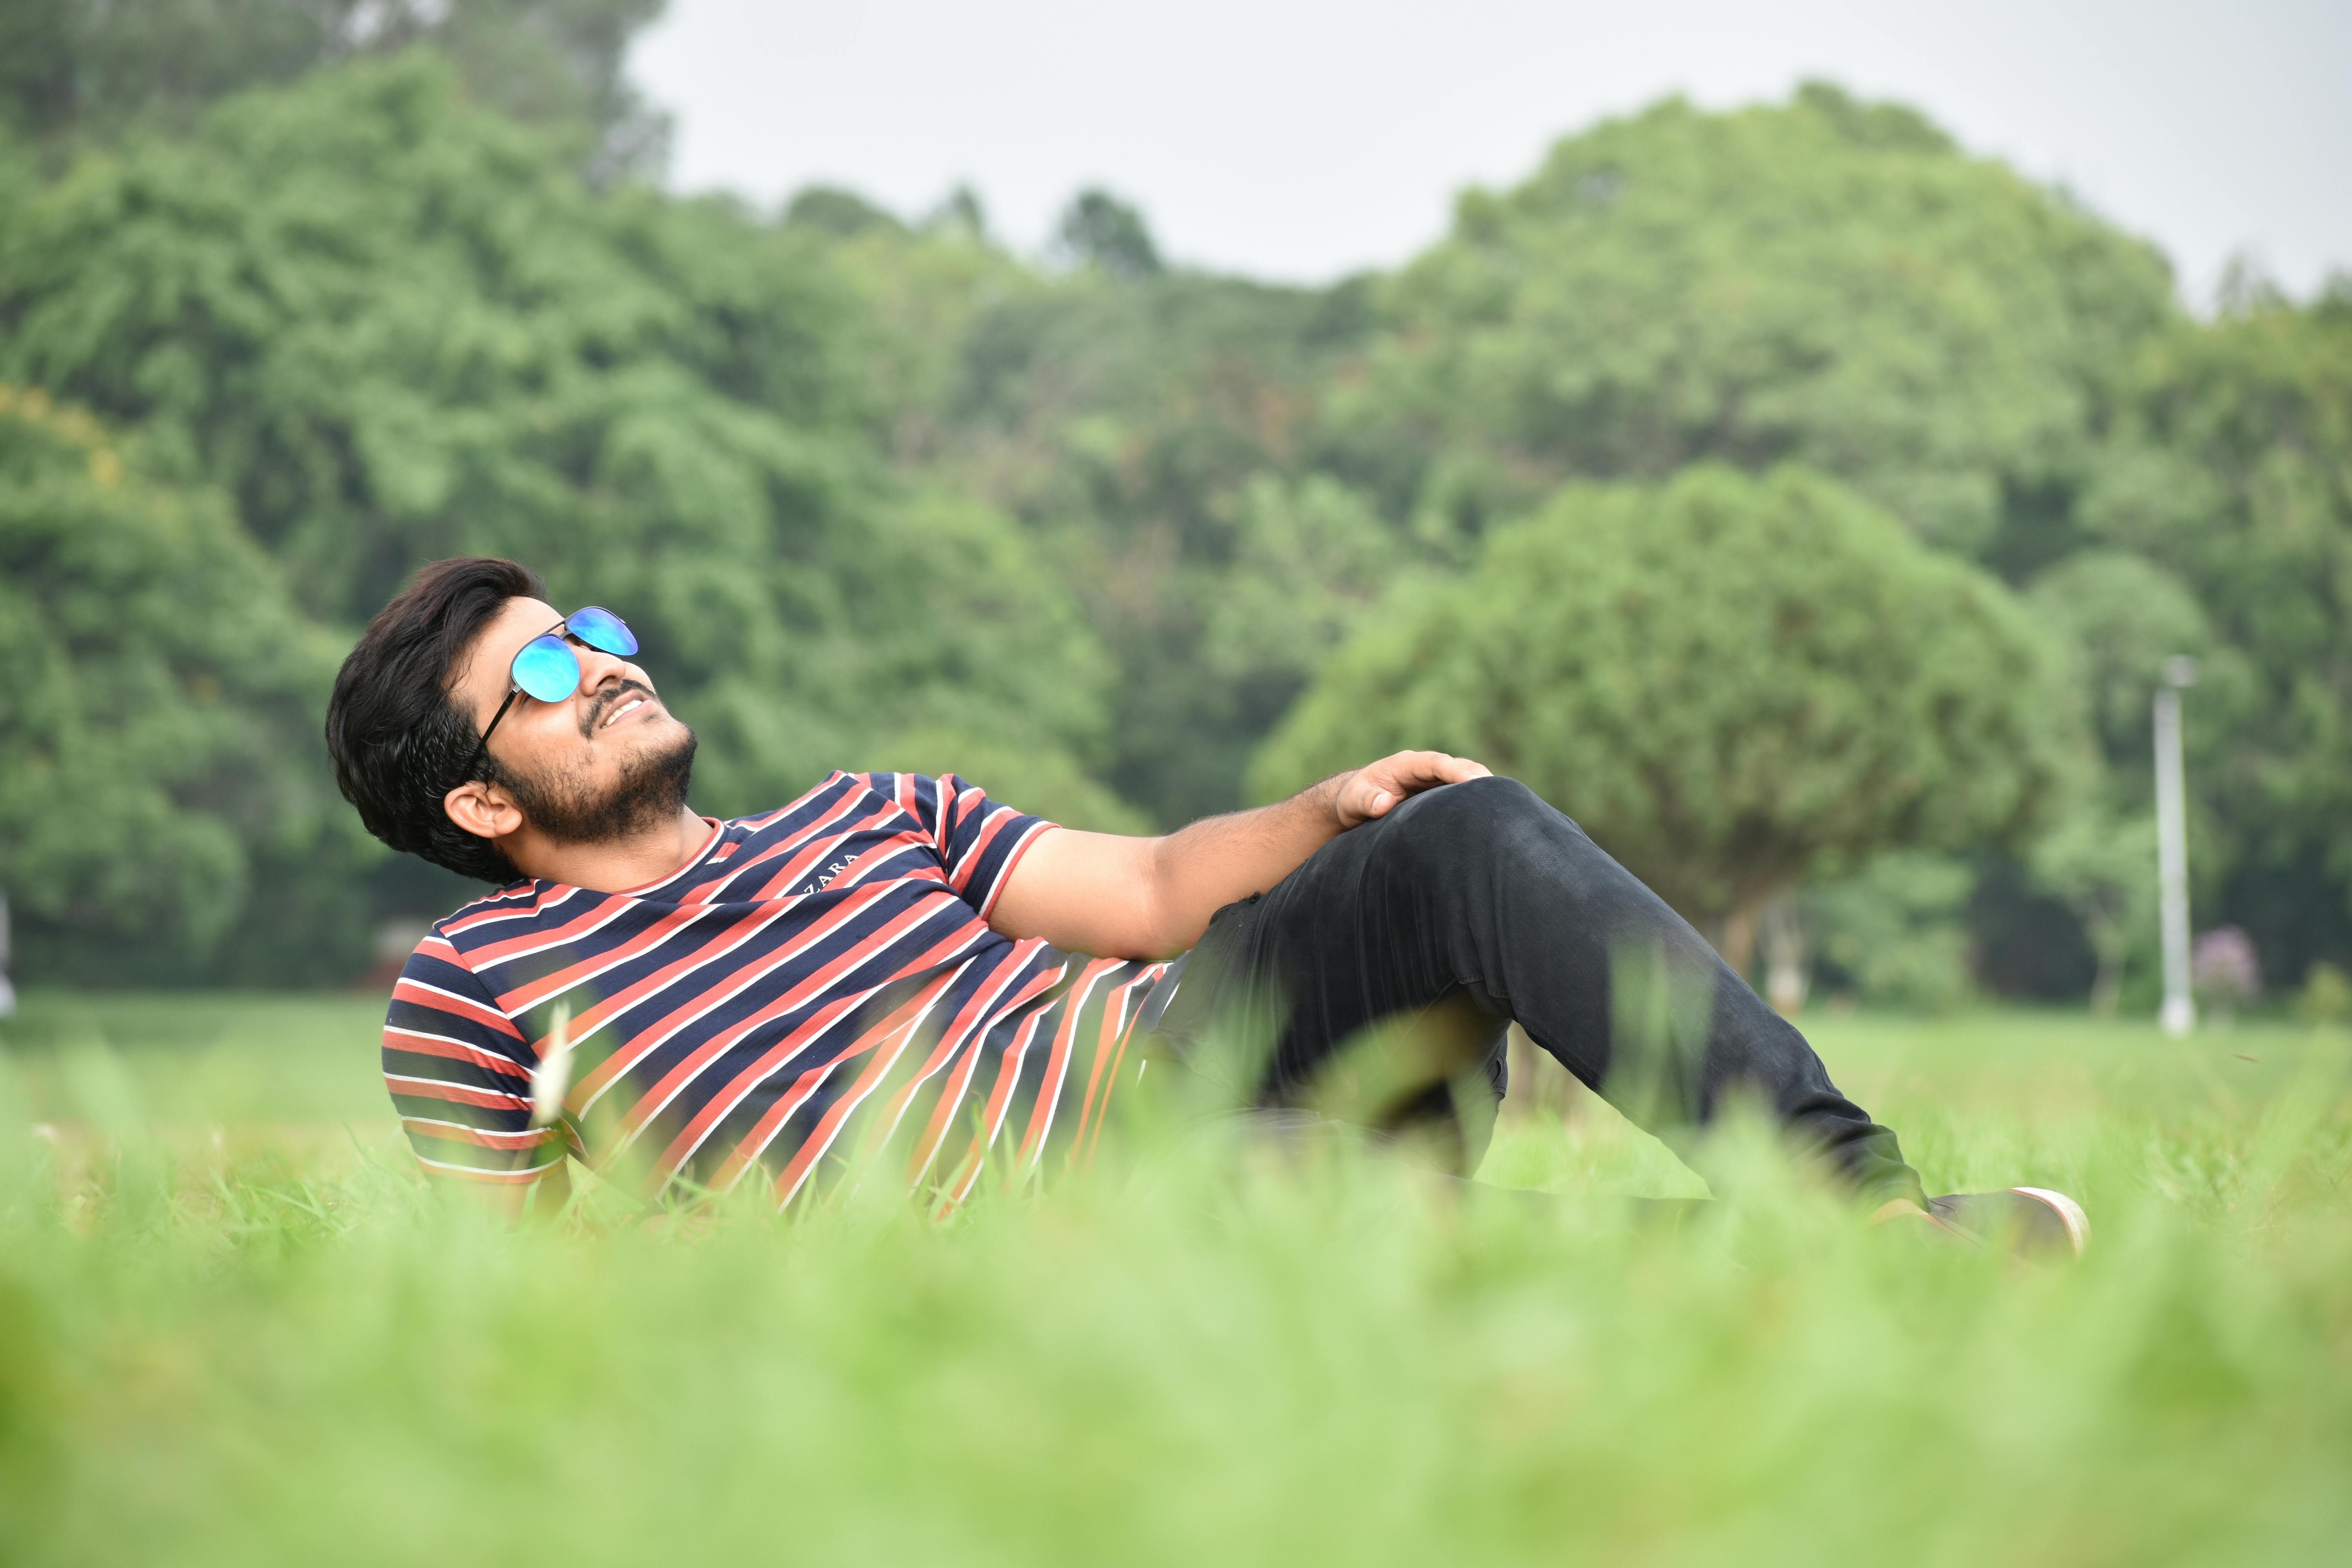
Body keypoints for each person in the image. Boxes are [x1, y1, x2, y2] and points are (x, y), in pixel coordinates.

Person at [326, 557, 2087, 1257]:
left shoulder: (875, 812)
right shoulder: (481, 982)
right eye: (542, 671)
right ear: (480, 799)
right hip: (1033, 1239)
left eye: (592, 631)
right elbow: (521, 1288)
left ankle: (1860, 1215)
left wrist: (1326, 813)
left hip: (1183, 1049)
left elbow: (1160, 888)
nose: (600, 664)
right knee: (1271, 1193)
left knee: (1458, 829)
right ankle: (1791, 1283)